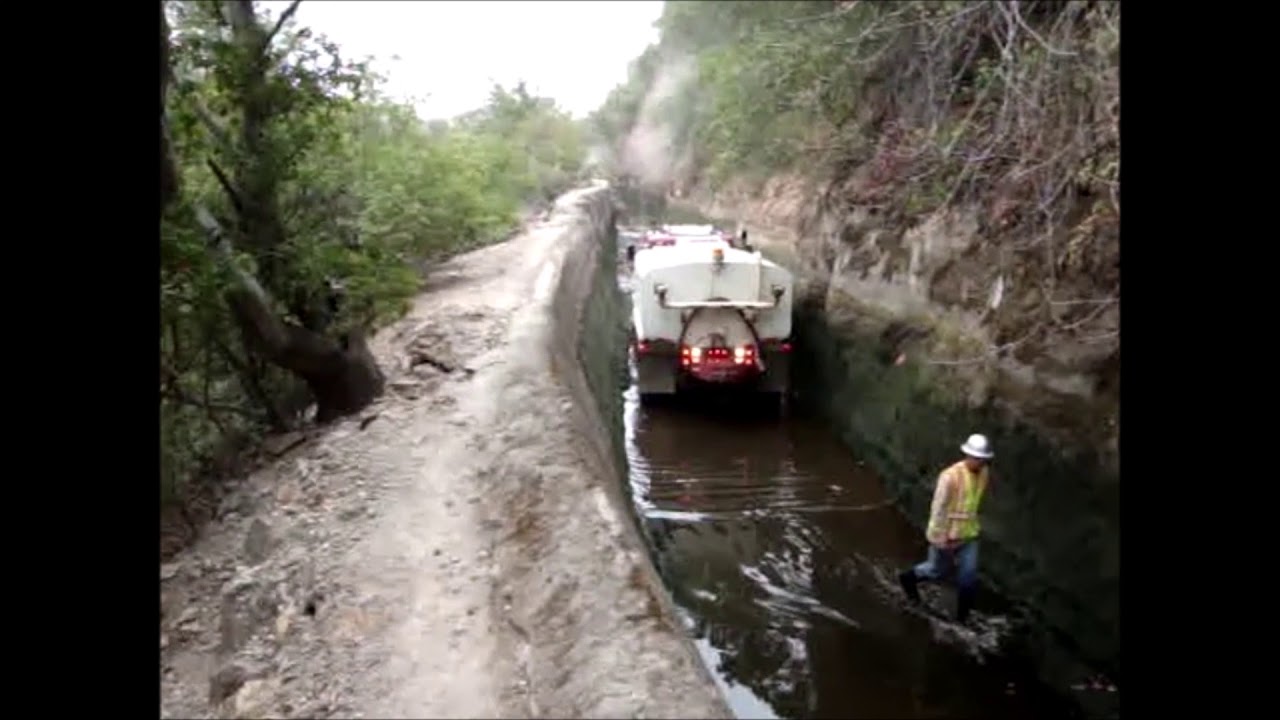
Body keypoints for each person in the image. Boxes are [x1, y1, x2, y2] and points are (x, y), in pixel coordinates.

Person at [898, 433, 994, 624]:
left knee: (968, 578)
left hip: (969, 535)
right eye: (976, 458)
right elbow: (938, 509)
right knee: (936, 570)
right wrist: (938, 538)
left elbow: (973, 503)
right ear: (967, 455)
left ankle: (962, 622)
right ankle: (907, 579)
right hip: (946, 536)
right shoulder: (950, 477)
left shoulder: (984, 473)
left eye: (982, 459)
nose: (979, 462)